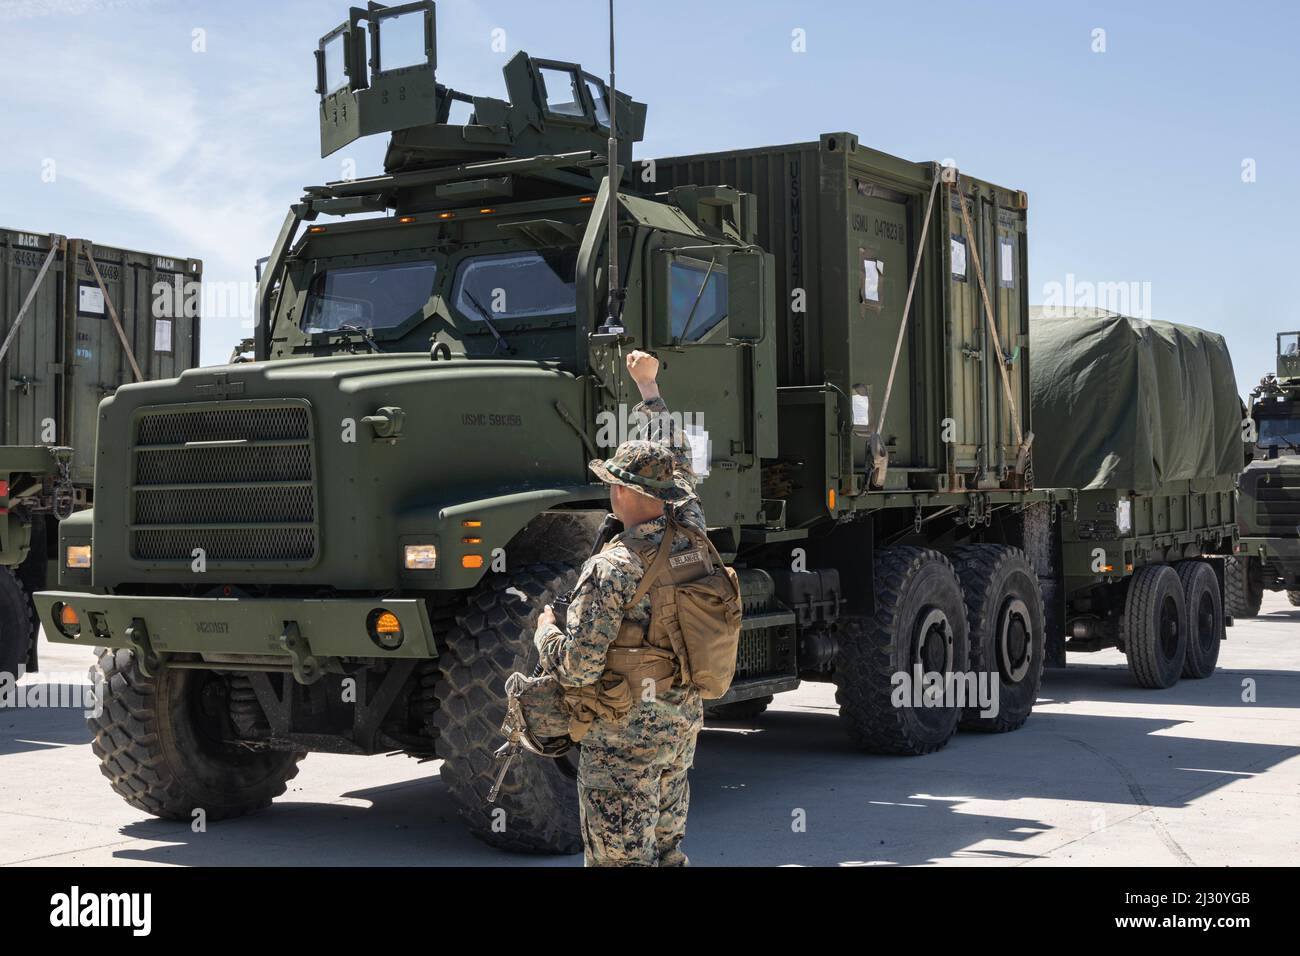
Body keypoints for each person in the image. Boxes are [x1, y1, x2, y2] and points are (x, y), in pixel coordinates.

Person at [533, 349, 707, 866]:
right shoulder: (693, 533)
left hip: (623, 741)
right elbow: (678, 460)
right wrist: (649, 391)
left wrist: (546, 632)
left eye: (613, 480)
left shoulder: (613, 567)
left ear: (623, 492)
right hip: (679, 725)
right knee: (667, 854)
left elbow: (580, 666)